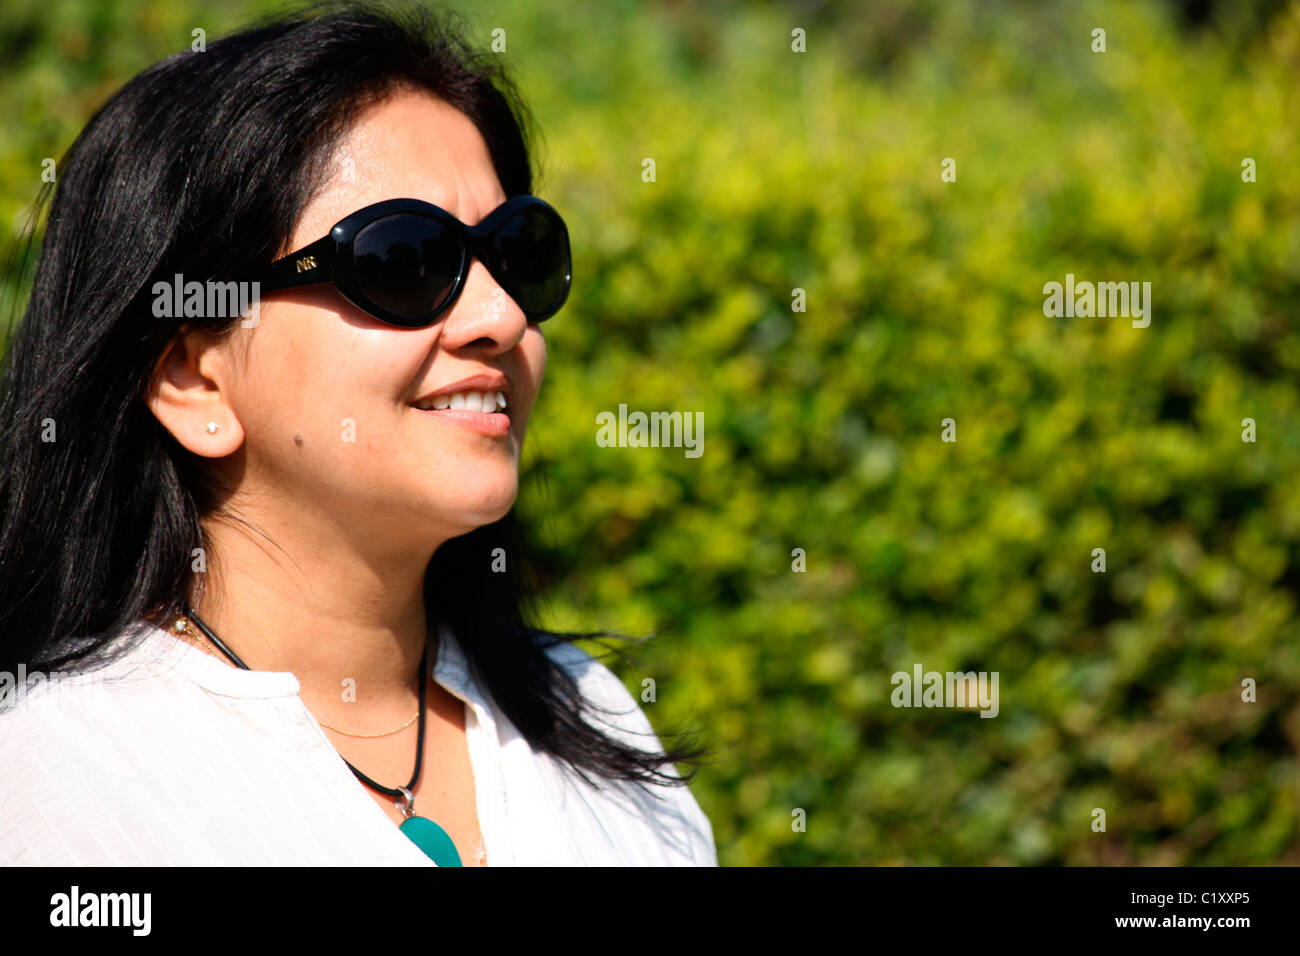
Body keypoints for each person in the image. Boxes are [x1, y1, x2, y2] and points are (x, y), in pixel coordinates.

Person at [0, 1, 717, 866]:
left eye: (518, 253)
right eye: (404, 259)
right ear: (193, 379)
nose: (499, 316)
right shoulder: (55, 785)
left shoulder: (591, 712)